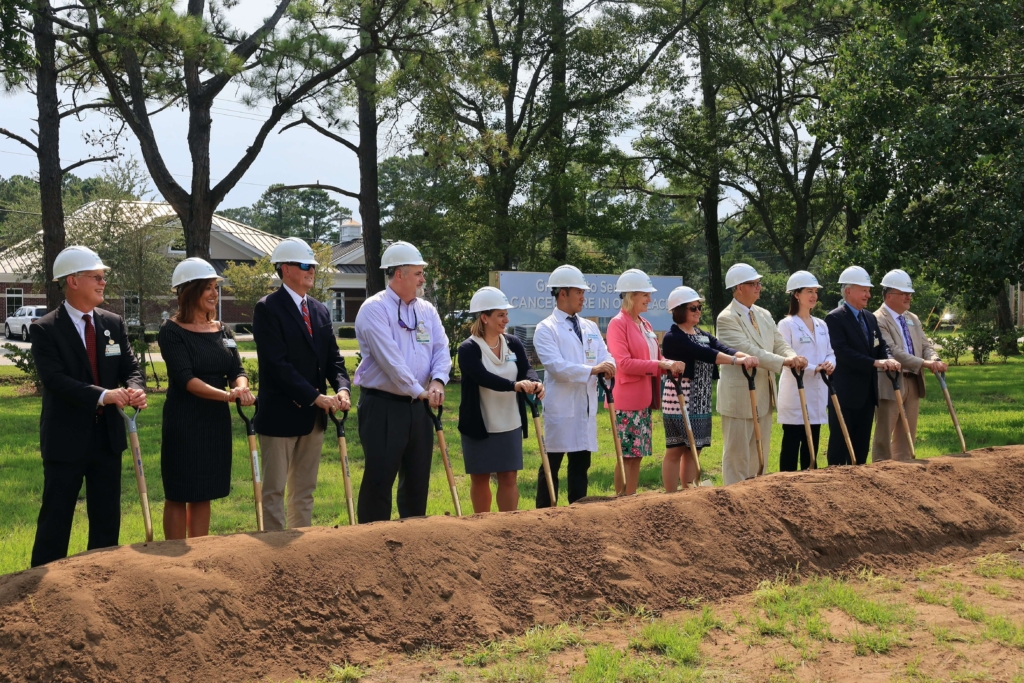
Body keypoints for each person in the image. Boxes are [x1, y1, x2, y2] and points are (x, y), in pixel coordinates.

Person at [29, 246, 146, 567]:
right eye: (95, 276)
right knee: (56, 519)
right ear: (72, 281)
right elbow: (54, 380)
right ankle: (41, 588)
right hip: (65, 440)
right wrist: (103, 395)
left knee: (107, 518)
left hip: (107, 439)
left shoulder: (113, 323)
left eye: (103, 276)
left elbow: (132, 368)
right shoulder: (45, 328)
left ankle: (102, 582)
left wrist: (135, 390)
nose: (102, 282)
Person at [253, 237, 351, 530]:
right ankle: (274, 552)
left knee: (305, 491)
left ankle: (302, 549)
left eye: (314, 266)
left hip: (314, 419)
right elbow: (277, 364)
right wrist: (315, 397)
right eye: (306, 265)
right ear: (285, 269)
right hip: (280, 415)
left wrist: (342, 388)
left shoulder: (320, 310)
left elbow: (333, 359)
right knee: (273, 492)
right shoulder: (268, 308)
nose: (312, 271)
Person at [354, 241, 451, 522]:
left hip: (419, 408)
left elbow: (441, 349)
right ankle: (373, 544)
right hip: (384, 406)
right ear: (399, 274)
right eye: (418, 273)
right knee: (379, 479)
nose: (423, 279)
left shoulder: (427, 310)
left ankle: (413, 544)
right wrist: (420, 391)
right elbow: (391, 361)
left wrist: (437, 382)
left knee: (418, 480)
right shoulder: (374, 309)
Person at [158, 258, 255, 540]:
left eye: (215, 287)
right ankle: (174, 556)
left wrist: (241, 387)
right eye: (208, 288)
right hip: (184, 421)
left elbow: (237, 369)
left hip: (215, 423)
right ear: (189, 292)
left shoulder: (223, 330)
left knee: (204, 492)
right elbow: (186, 380)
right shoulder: (171, 331)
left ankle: (200, 553)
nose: (215, 293)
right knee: (179, 492)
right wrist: (227, 395)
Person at [716, 263, 806, 485]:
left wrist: (792, 355)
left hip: (763, 395)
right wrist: (783, 361)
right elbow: (749, 351)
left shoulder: (763, 314)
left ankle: (756, 502)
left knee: (760, 456)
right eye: (753, 283)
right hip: (739, 398)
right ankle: (734, 501)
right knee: (737, 457)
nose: (759, 287)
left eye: (758, 282)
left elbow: (778, 342)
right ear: (738, 288)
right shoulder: (726, 318)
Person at [532, 265, 615, 507]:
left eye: (583, 291)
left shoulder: (589, 327)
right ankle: (545, 515)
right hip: (561, 407)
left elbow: (605, 354)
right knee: (552, 464)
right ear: (562, 294)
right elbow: (556, 366)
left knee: (581, 464)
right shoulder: (546, 328)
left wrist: (608, 365)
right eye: (578, 291)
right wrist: (592, 370)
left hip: (584, 407)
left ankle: (579, 515)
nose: (583, 296)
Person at [661, 286, 757, 490]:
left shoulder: (701, 333)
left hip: (701, 399)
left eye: (699, 307)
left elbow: (719, 347)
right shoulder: (673, 337)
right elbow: (704, 354)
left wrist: (744, 356)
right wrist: (735, 361)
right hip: (680, 398)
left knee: (694, 449)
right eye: (693, 308)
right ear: (679, 311)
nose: (698, 311)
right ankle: (670, 497)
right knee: (676, 448)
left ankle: (689, 491)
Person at [457, 287, 544, 513]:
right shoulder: (468, 349)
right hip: (479, 423)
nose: (506, 319)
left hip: (510, 422)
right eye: (500, 315)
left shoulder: (513, 343)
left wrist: (535, 383)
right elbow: (482, 377)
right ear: (484, 318)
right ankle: (483, 525)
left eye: (506, 314)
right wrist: (514, 386)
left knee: (508, 477)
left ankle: (509, 527)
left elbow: (527, 369)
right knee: (480, 477)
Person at [606, 269, 685, 496]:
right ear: (631, 295)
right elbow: (624, 363)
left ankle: (631, 497)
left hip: (644, 399)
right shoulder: (617, 324)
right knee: (626, 455)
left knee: (637, 454)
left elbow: (656, 358)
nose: (650, 299)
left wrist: (670, 363)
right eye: (645, 295)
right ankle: (622, 499)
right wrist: (660, 366)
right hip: (625, 400)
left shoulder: (645, 324)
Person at [824, 266, 900, 466]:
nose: (868, 294)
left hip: (867, 395)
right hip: (845, 394)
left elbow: (880, 345)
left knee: (861, 447)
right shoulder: (834, 318)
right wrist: (875, 362)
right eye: (864, 290)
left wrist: (888, 358)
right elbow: (842, 352)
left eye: (868, 290)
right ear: (848, 291)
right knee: (840, 446)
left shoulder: (869, 317)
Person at [872, 269, 946, 461]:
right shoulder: (877, 319)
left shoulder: (912, 318)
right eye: (904, 293)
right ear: (889, 295)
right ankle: (882, 470)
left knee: (908, 433)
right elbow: (894, 351)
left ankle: (906, 471)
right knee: (884, 433)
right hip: (890, 380)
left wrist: (935, 359)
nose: (908, 297)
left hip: (914, 379)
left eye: (909, 293)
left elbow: (924, 345)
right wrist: (925, 363)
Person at [776, 271, 835, 472]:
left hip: (818, 391)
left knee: (812, 443)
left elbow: (830, 352)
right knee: (793, 440)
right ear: (796, 295)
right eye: (809, 291)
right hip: (796, 390)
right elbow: (788, 356)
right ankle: (786, 482)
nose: (814, 296)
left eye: (815, 292)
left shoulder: (821, 324)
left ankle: (810, 481)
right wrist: (813, 368)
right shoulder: (786, 325)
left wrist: (829, 364)